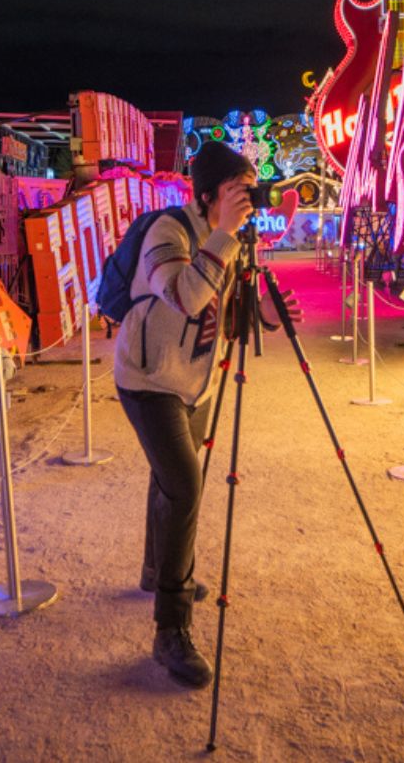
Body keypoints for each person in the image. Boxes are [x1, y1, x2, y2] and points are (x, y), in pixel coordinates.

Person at [114, 140, 300, 687]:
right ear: (206, 194)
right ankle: (170, 629)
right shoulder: (166, 234)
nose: (243, 199)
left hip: (196, 384)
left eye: (247, 189)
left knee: (170, 480)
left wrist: (265, 314)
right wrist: (223, 235)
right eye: (232, 190)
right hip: (147, 381)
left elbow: (227, 311)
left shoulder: (231, 241)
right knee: (186, 487)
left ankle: (155, 569)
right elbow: (187, 297)